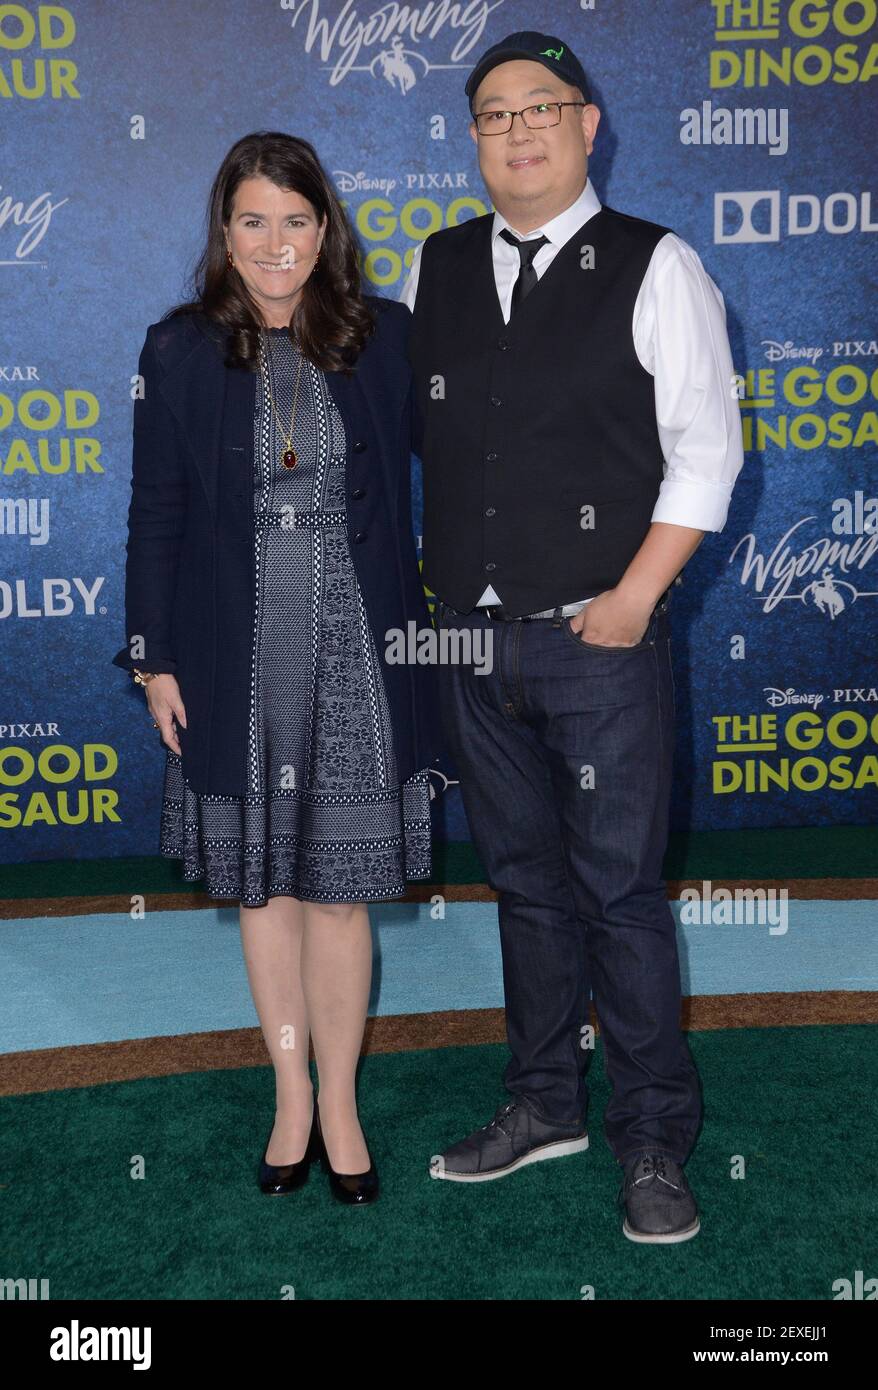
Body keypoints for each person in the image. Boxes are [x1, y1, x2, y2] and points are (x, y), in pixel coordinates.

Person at [400, 31, 744, 1242]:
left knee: (618, 896)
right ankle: (542, 1102)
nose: (518, 130)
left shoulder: (657, 266)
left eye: (541, 108)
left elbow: (707, 453)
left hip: (599, 642)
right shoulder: (435, 265)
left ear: (588, 125)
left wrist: (635, 600)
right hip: (471, 651)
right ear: (474, 137)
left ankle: (653, 1136)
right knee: (523, 890)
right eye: (493, 113)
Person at [112, 131, 442, 1206]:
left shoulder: (381, 338)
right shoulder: (175, 348)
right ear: (223, 231)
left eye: (295, 220)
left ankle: (340, 1103)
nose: (274, 241)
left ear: (324, 229)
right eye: (252, 219)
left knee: (339, 895)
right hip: (232, 645)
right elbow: (154, 515)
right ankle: (288, 1095)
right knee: (265, 890)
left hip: (354, 641)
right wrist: (154, 661)